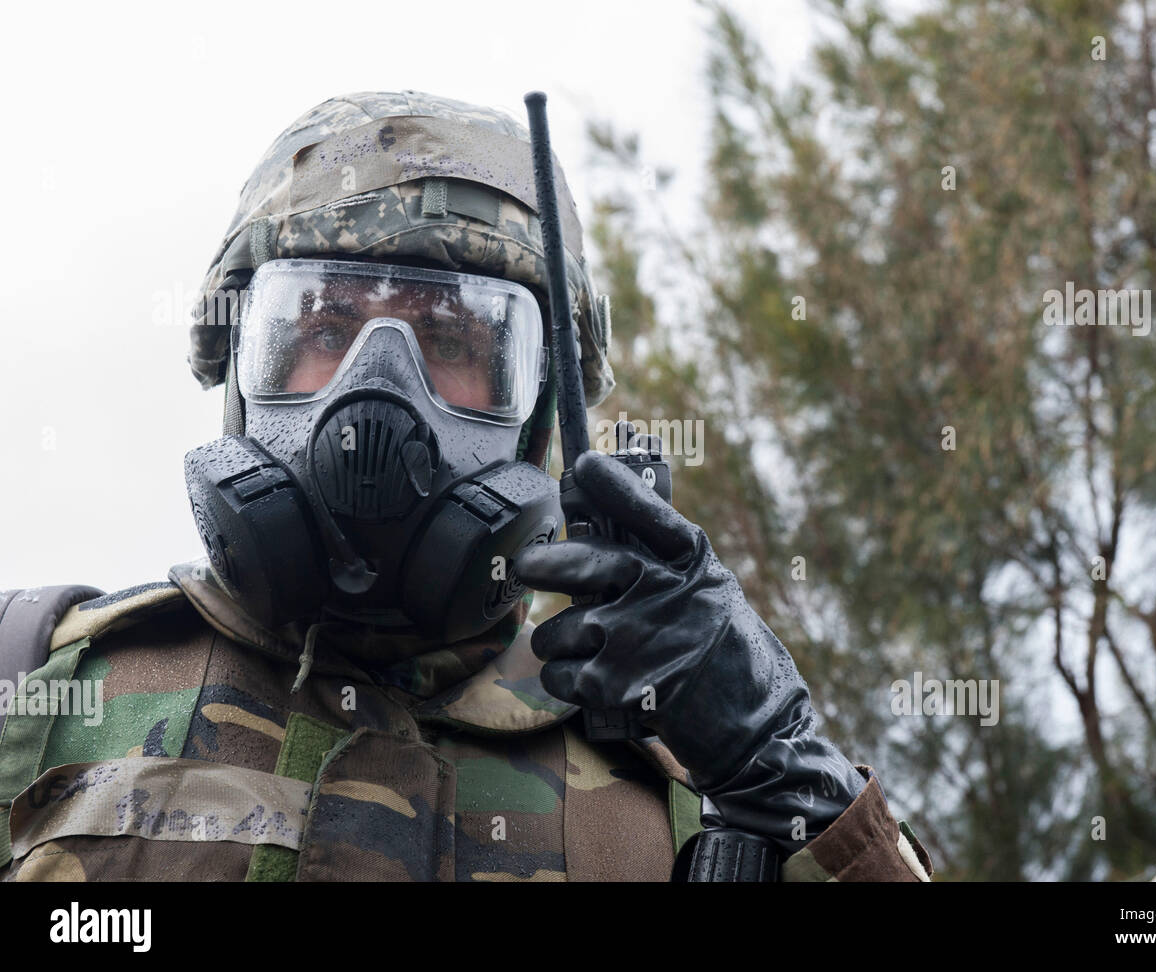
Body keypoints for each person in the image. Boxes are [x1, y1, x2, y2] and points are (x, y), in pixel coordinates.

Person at [0, 91, 931, 882]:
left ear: (537, 415)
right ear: (242, 371)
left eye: (449, 340)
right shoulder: (32, 689)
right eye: (323, 326)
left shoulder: (692, 800)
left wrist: (789, 774)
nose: (375, 396)